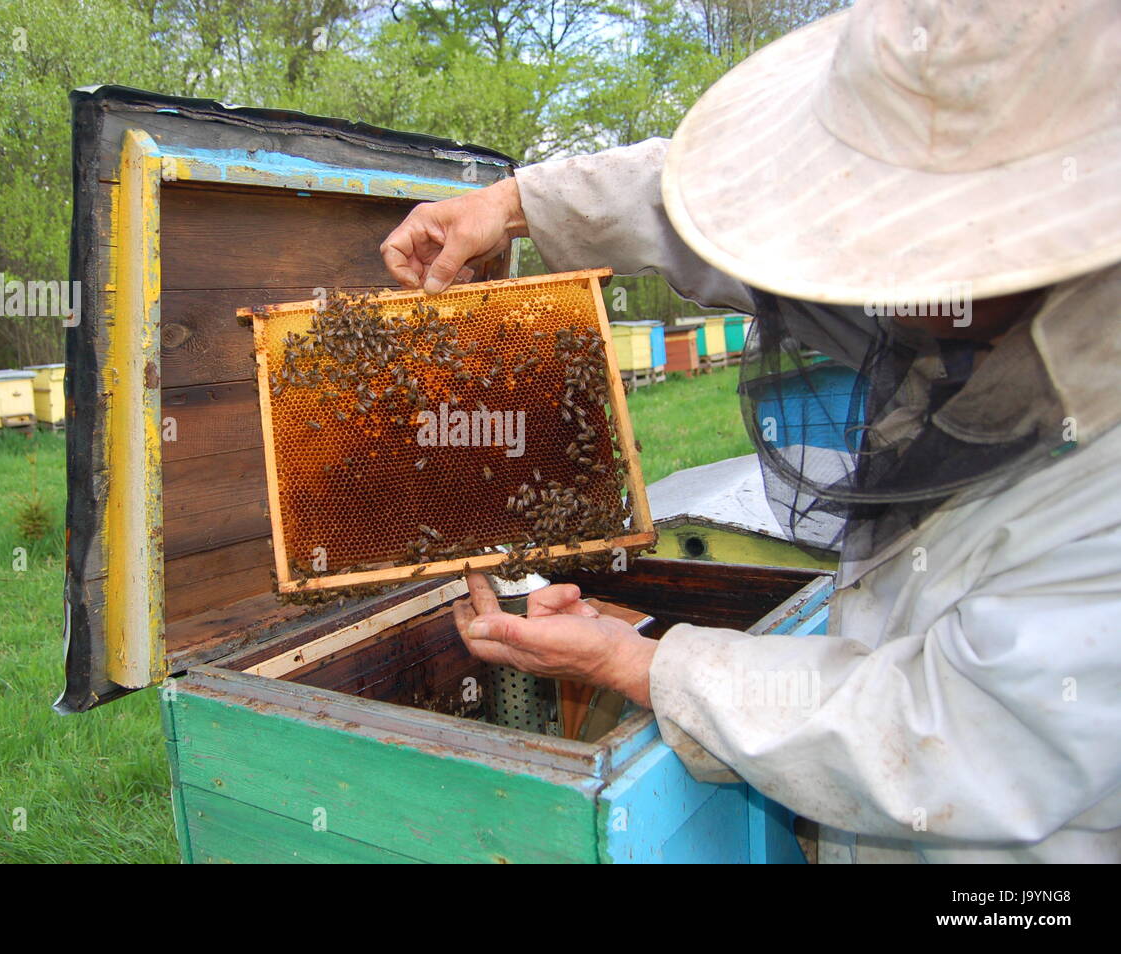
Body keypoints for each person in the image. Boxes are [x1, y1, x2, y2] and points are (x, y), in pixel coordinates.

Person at [378, 0, 1121, 862]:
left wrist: (638, 664)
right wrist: (518, 205)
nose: (860, 263)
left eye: (907, 235)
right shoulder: (965, 302)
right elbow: (730, 200)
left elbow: (960, 739)